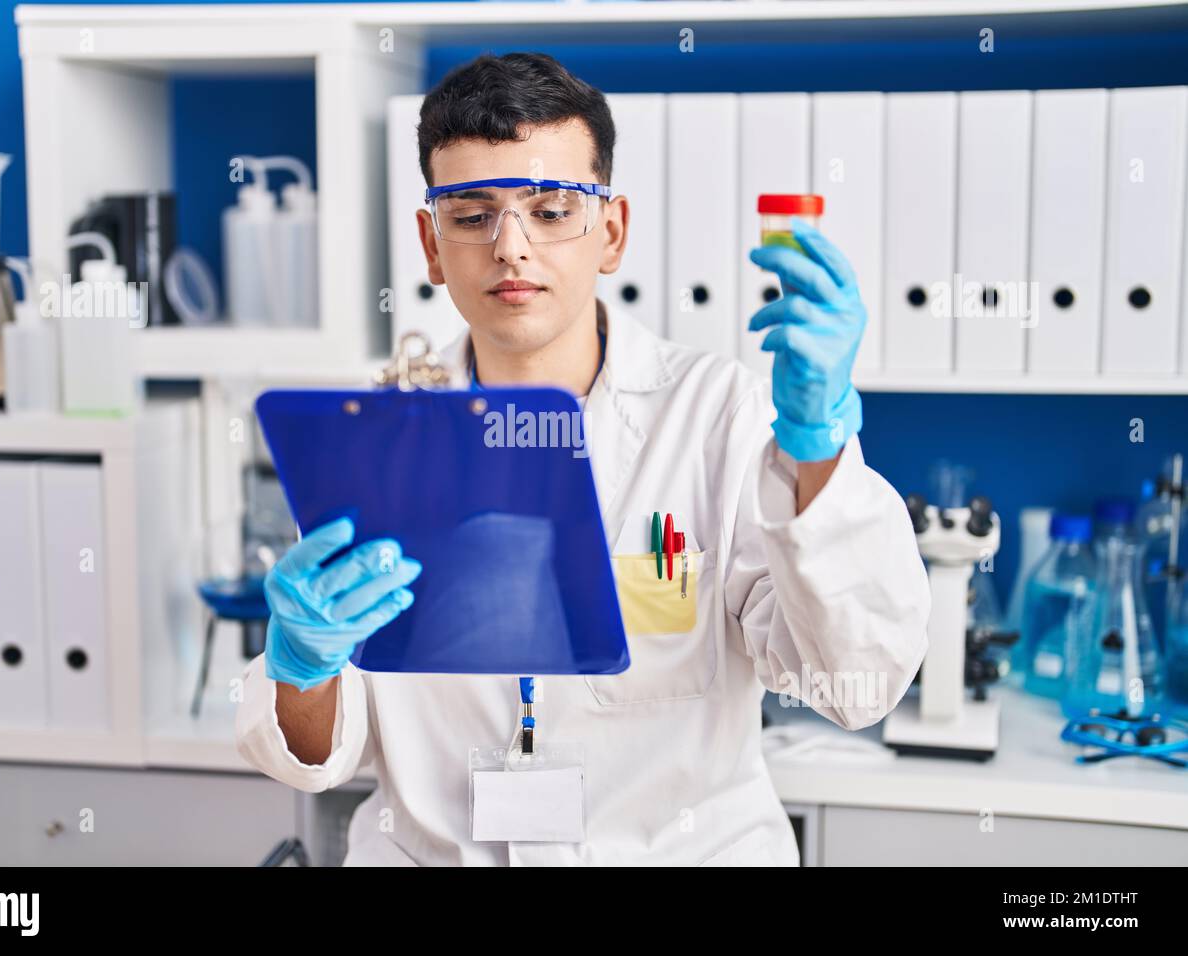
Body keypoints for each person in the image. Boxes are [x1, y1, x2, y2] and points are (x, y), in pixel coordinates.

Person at [236, 52, 930, 865]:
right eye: (472, 214)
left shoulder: (714, 416)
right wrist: (304, 665)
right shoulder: (375, 434)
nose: (511, 247)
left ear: (612, 231)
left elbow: (856, 686)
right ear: (431, 243)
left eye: (553, 207)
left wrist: (819, 456)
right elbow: (320, 754)